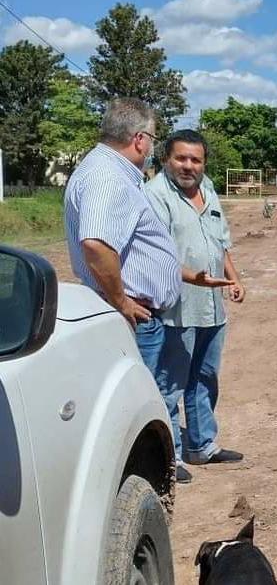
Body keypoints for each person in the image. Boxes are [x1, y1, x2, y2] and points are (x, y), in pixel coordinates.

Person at [146, 129, 246, 483]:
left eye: (196, 159)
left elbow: (222, 243)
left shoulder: (209, 189)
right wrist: (195, 279)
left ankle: (202, 446)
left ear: (204, 163)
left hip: (211, 305)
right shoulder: (155, 195)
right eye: (181, 158)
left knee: (205, 377)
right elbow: (155, 256)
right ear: (167, 159)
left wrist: (233, 278)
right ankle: (170, 459)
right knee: (171, 384)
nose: (189, 166)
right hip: (177, 307)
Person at [65, 98, 182, 373]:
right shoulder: (108, 178)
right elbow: (96, 244)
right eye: (152, 139)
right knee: (137, 407)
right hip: (132, 320)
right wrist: (121, 301)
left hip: (136, 318)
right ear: (140, 139)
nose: (152, 147)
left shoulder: (110, 171)